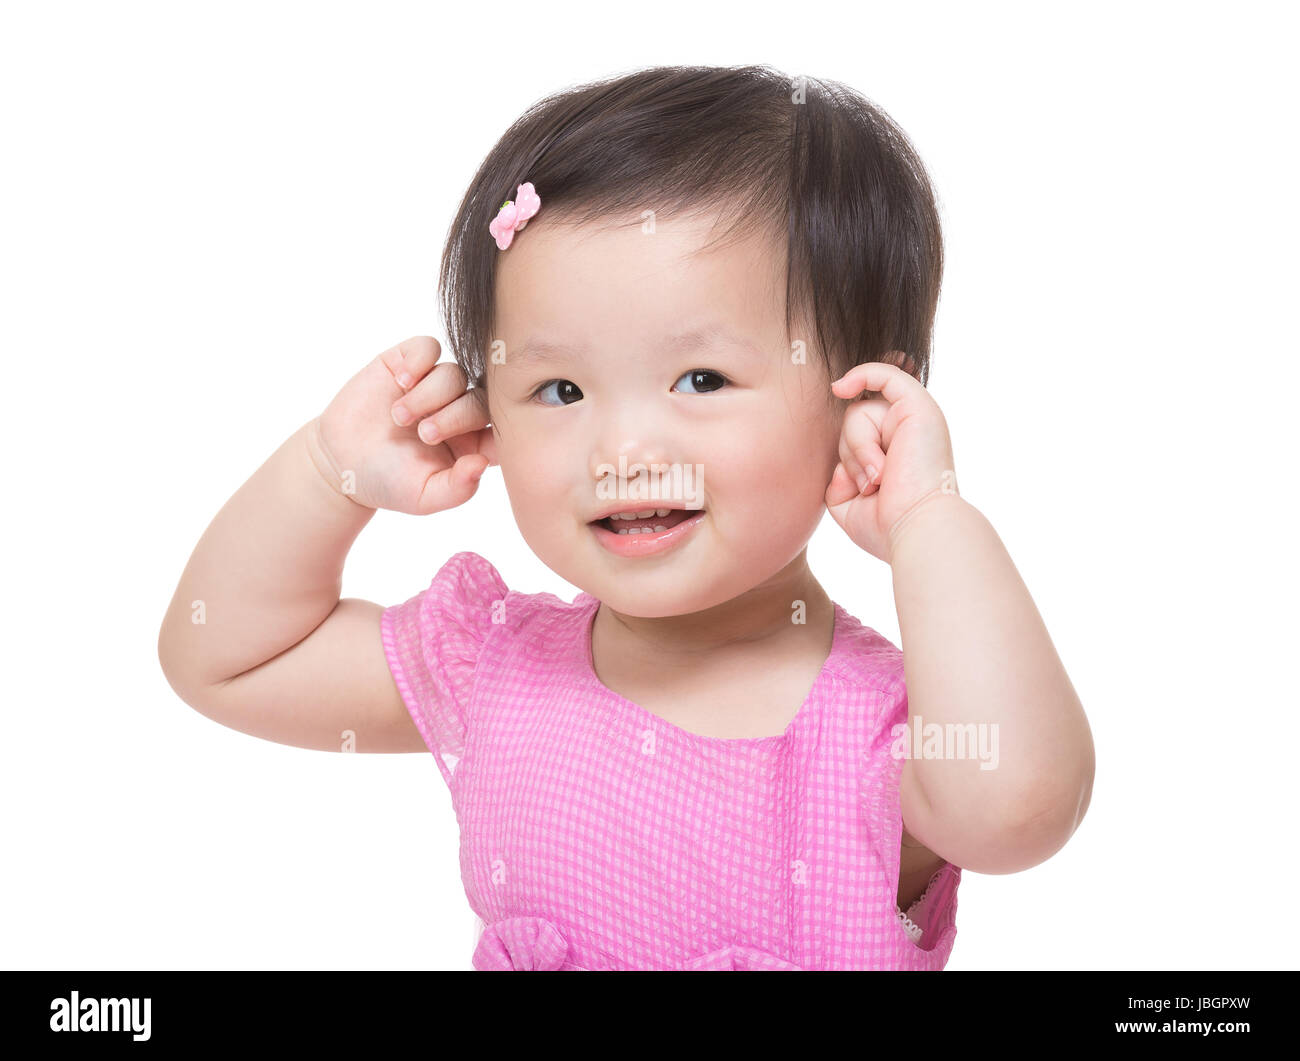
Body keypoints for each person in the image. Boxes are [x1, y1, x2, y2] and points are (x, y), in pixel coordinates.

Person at [158, 64, 1094, 970]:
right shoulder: (491, 667)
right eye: (559, 388)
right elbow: (228, 659)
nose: (621, 450)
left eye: (700, 379)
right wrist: (331, 473)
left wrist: (930, 517)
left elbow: (1017, 806)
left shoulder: (886, 733)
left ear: (864, 405)